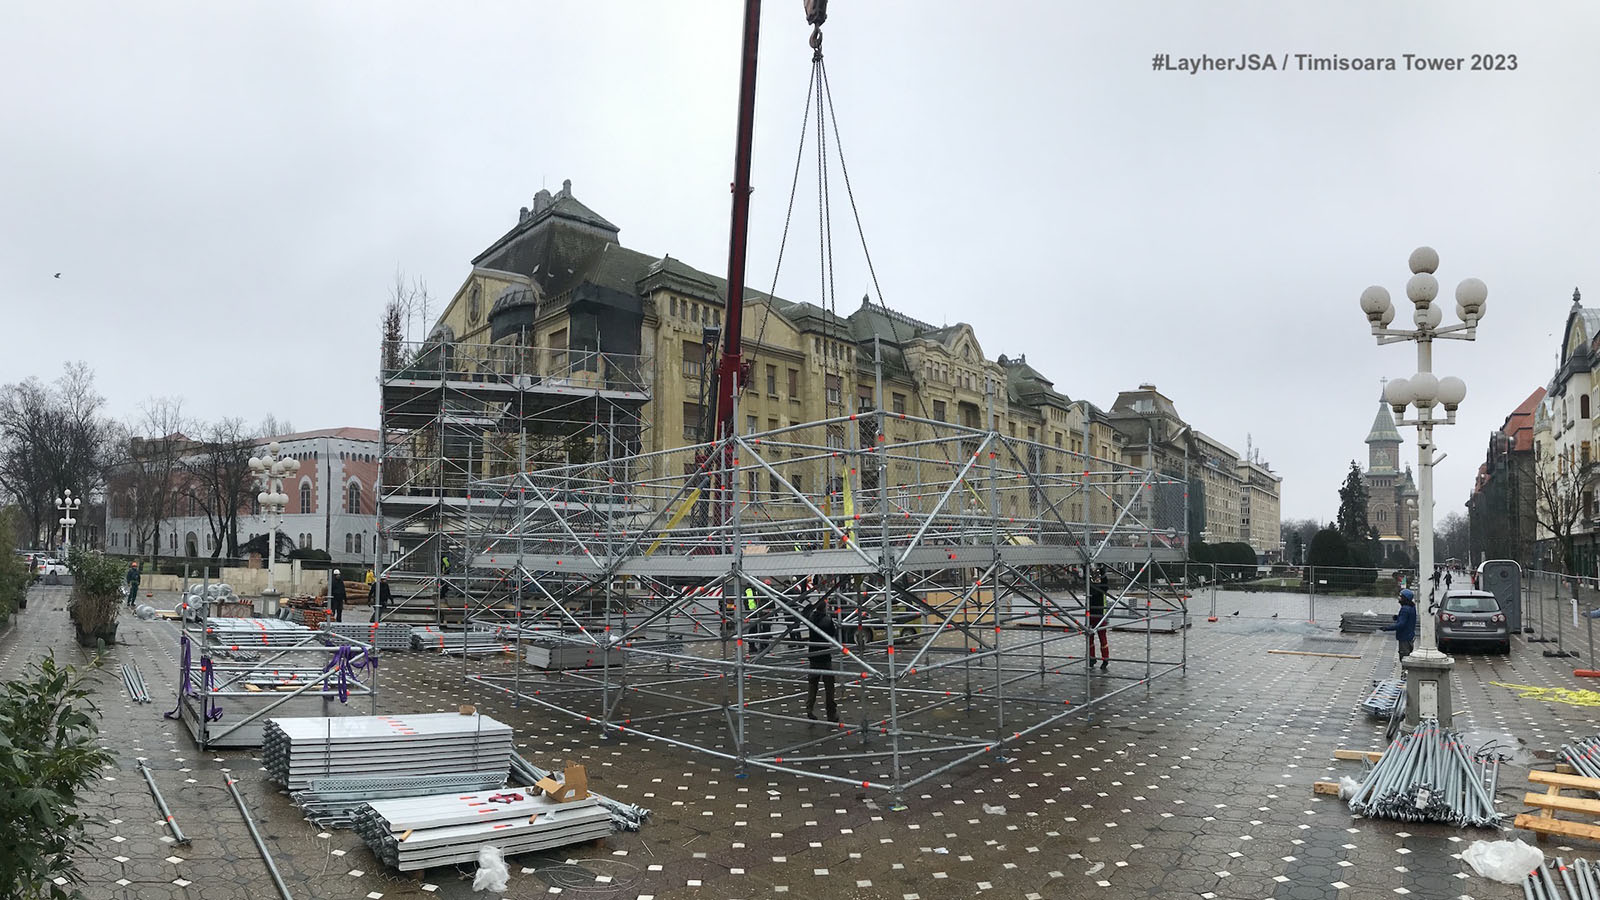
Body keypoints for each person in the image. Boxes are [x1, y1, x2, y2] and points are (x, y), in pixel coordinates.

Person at [804, 598, 839, 723]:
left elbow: (804, 613)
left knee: (813, 684)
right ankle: (831, 713)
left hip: (813, 655)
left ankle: (809, 708)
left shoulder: (811, 618)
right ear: (825, 608)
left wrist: (809, 605)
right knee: (829, 686)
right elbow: (832, 634)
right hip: (825, 656)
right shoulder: (827, 620)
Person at [1379, 588, 1418, 663]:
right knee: (1407, 655)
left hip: (1404, 637)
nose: (1399, 598)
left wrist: (1387, 628)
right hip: (1410, 636)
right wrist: (1398, 617)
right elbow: (1408, 618)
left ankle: (1405, 670)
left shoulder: (1405, 609)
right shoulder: (1412, 607)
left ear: (1405, 598)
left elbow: (1401, 625)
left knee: (1404, 658)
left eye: (1401, 597)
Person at [1088, 566, 1111, 671]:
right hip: (1093, 615)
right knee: (1092, 638)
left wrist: (1102, 571)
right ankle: (1094, 658)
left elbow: (1105, 582)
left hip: (1098, 616)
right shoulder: (1092, 587)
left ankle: (1104, 659)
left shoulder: (1099, 587)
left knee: (1101, 638)